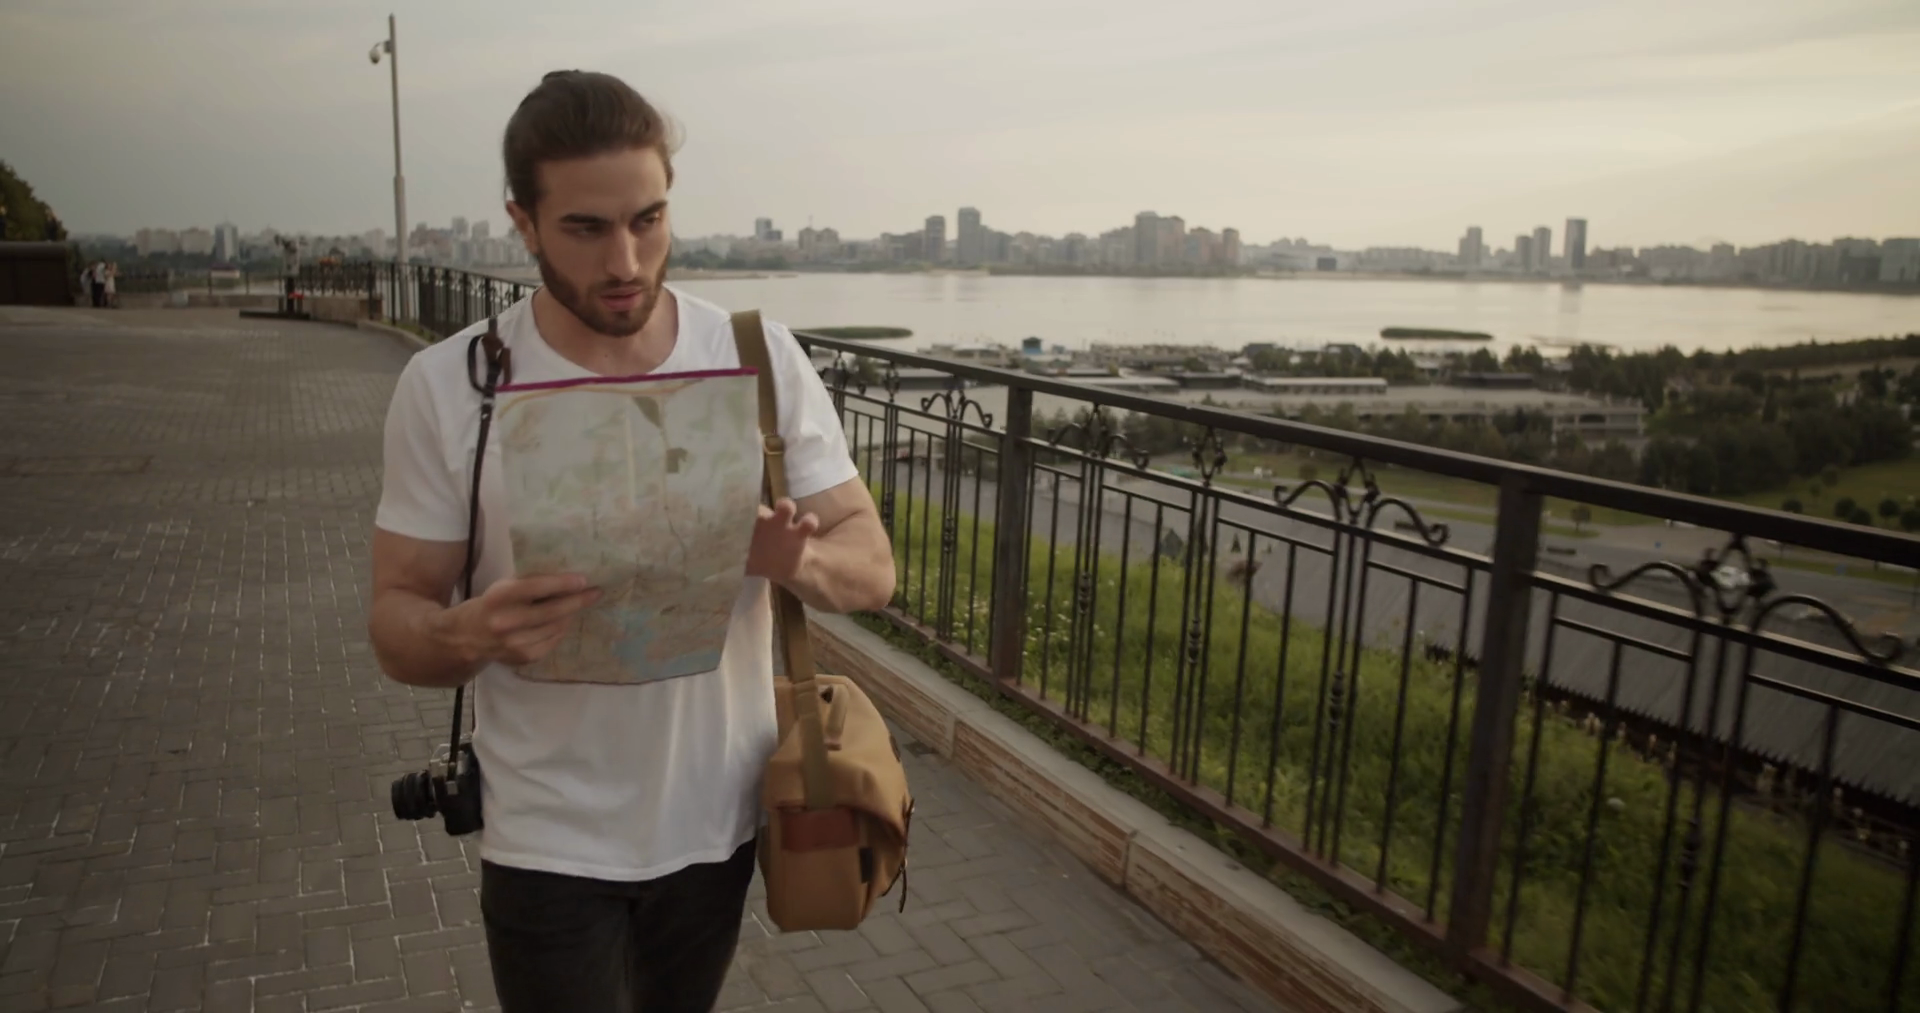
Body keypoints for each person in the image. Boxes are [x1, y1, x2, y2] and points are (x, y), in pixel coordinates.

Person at [365, 70, 894, 1013]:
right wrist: (470, 633)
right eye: (587, 228)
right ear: (522, 222)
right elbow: (397, 621)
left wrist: (798, 563)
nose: (626, 260)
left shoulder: (756, 357)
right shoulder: (455, 386)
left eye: (648, 219)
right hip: (545, 834)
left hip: (716, 824)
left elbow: (873, 567)